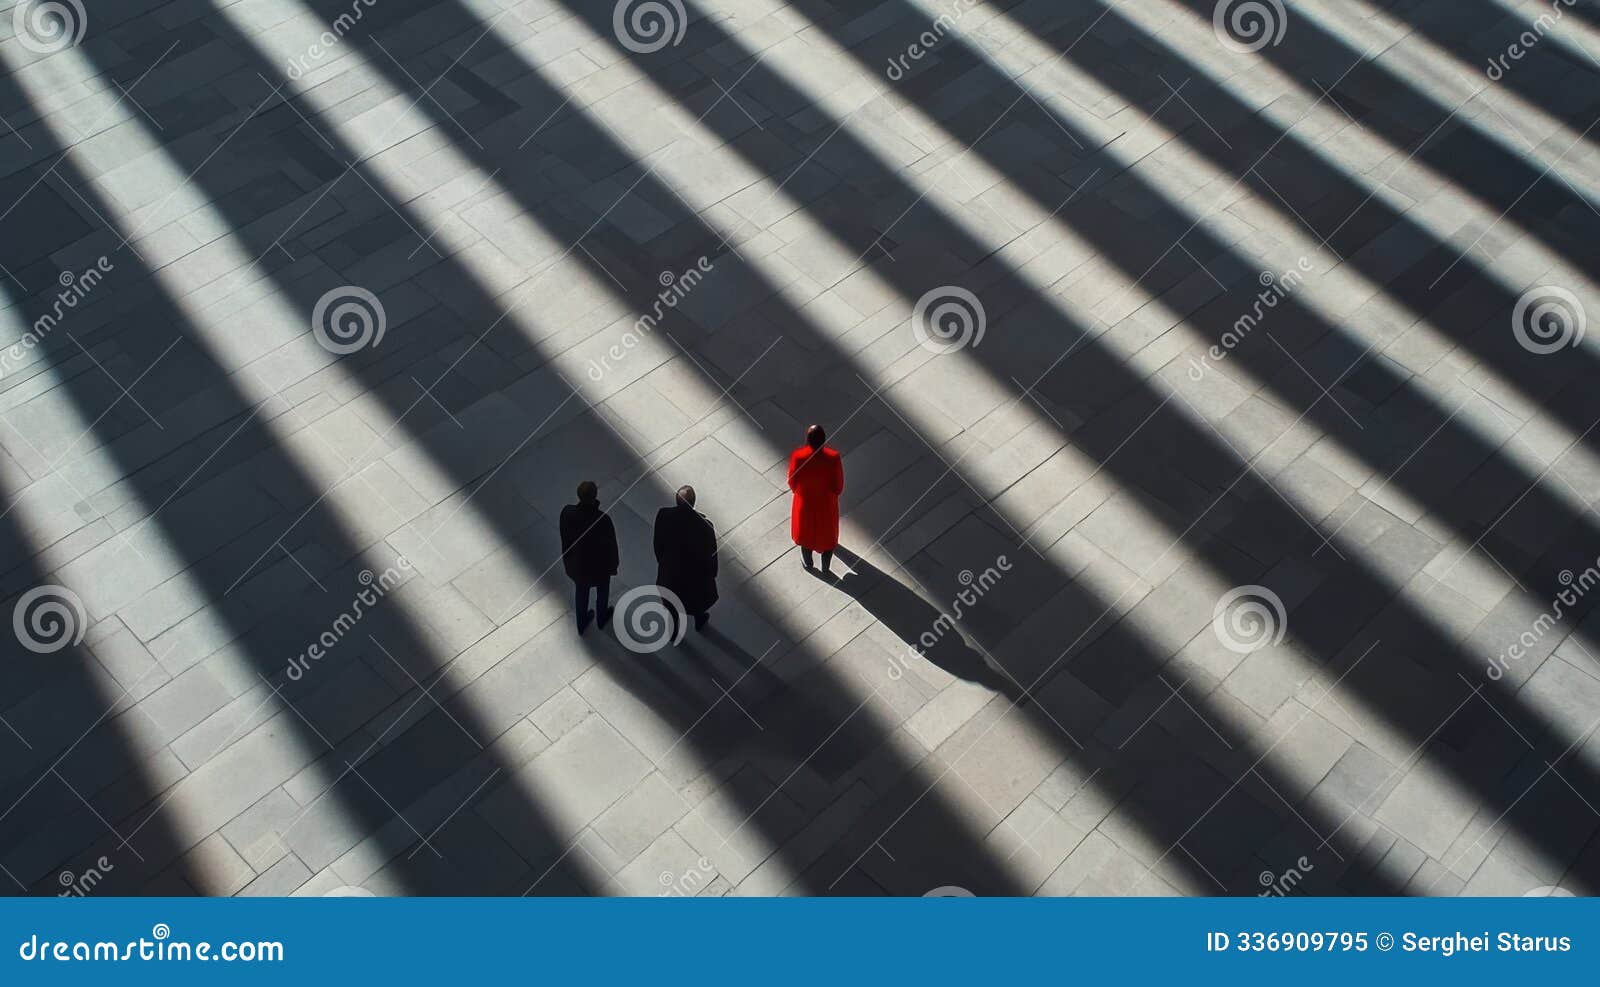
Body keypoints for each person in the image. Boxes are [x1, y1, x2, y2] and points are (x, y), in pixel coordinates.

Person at [652, 485, 718, 634]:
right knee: (695, 602)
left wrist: (663, 564)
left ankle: (673, 633)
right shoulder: (705, 526)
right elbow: (711, 555)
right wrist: (711, 575)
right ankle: (699, 620)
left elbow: (658, 545)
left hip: (669, 576)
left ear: (676, 501)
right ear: (693, 503)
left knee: (672, 607)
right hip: (693, 579)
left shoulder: (663, 515)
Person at [558, 480, 619, 633]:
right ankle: (601, 617)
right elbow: (611, 547)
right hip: (599, 567)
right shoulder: (603, 519)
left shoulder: (567, 512)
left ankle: (581, 622)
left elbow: (565, 537)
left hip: (577, 565)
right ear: (595, 496)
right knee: (603, 589)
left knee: (581, 591)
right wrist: (613, 566)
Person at [787, 424, 844, 576]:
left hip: (805, 502)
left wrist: (800, 493)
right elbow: (838, 485)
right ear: (824, 440)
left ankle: (808, 562)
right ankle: (826, 567)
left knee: (805, 535)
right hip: (826, 504)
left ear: (808, 440)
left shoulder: (798, 456)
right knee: (828, 537)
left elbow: (792, 481)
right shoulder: (833, 457)